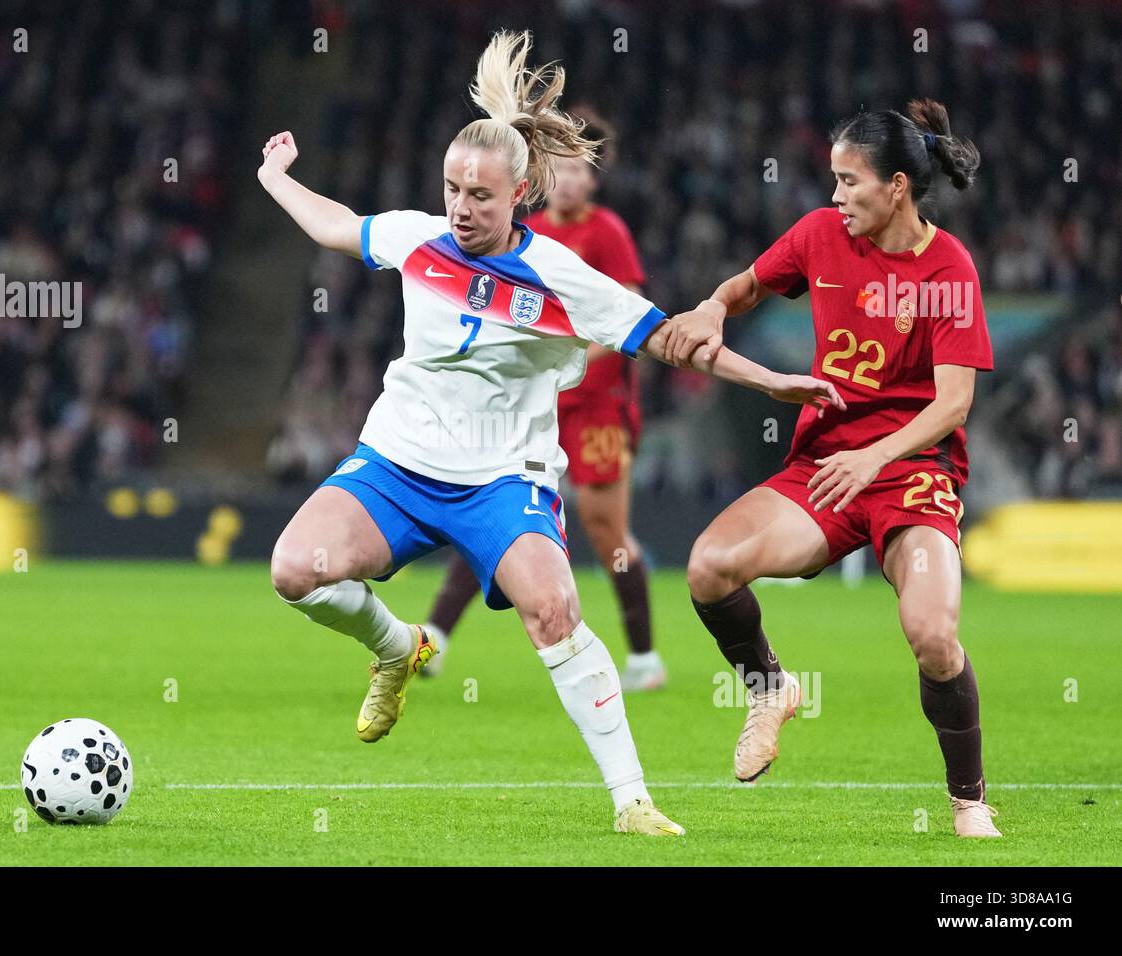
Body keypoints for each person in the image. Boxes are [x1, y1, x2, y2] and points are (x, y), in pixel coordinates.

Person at [260, 30, 841, 835]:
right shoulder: (417, 237)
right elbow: (336, 225)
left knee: (555, 610)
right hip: (395, 462)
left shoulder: (565, 280)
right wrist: (273, 177)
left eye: (480, 196)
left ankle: (631, 800)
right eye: (453, 189)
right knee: (295, 570)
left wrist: (772, 380)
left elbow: (675, 339)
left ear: (521, 193)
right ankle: (399, 649)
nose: (462, 207)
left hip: (505, 477)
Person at [682, 99, 999, 837]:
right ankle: (771, 688)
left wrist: (876, 457)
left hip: (913, 471)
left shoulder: (948, 266)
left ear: (896, 187)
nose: (833, 196)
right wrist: (711, 308)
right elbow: (746, 285)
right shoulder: (820, 235)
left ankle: (969, 798)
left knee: (932, 634)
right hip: (826, 466)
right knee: (707, 567)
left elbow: (953, 404)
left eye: (847, 180)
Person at [421, 112, 667, 691]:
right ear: (539, 176)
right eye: (560, 169)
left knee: (606, 532)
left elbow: (624, 322)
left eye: (581, 169)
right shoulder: (521, 234)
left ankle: (644, 657)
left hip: (597, 406)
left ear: (595, 179)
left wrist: (560, 367)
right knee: (493, 511)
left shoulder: (606, 231)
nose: (569, 180)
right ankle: (435, 637)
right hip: (536, 404)